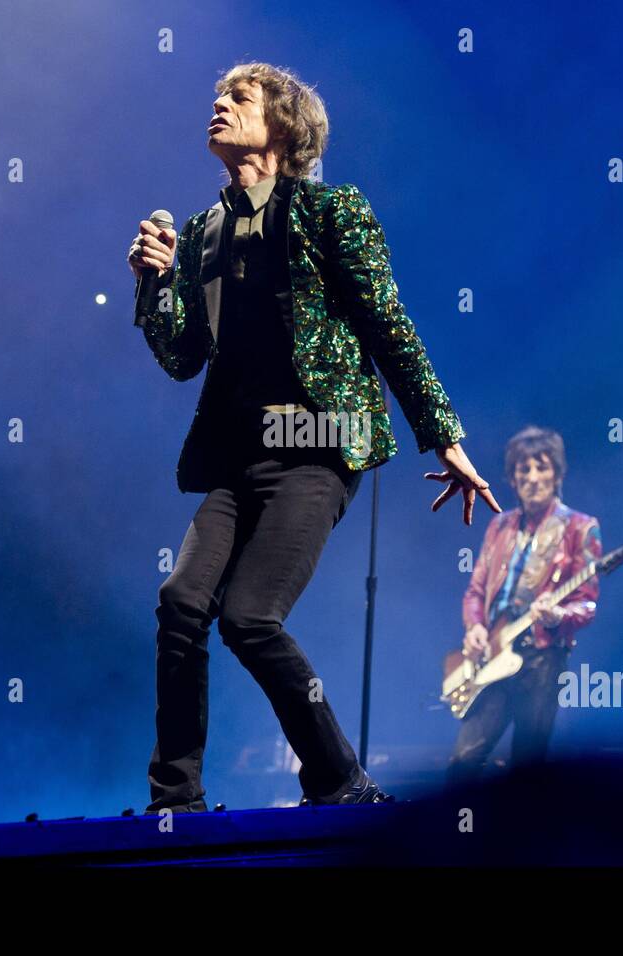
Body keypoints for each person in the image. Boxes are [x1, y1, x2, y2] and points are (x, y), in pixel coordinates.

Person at [127, 61, 500, 812]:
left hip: (318, 446)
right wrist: (153, 285)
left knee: (250, 618)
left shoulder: (331, 213)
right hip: (236, 458)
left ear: (285, 124)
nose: (218, 106)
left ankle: (340, 782)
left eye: (237, 97)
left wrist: (443, 437)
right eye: (216, 97)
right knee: (180, 602)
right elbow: (181, 358)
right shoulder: (202, 233)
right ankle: (177, 801)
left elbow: (386, 326)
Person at [446, 425, 602, 784]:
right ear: (513, 479)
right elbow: (475, 592)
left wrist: (558, 614)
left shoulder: (580, 528)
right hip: (493, 658)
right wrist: (474, 628)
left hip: (542, 658)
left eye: (541, 467)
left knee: (527, 768)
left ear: (557, 474)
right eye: (523, 470)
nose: (532, 477)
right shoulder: (499, 527)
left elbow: (588, 604)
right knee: (463, 761)